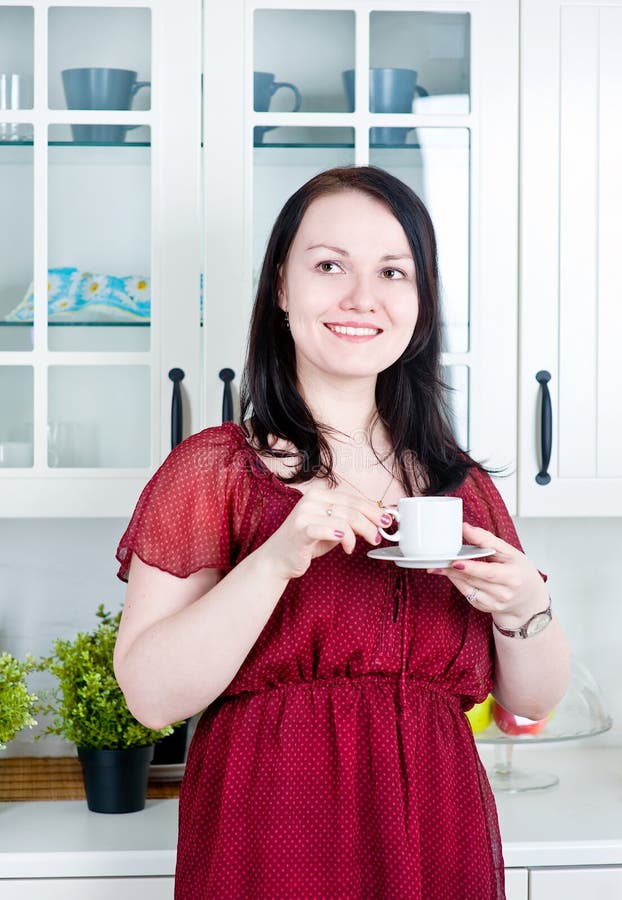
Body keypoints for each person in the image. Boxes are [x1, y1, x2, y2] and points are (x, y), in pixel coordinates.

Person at [113, 166, 570, 899]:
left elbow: (534, 701)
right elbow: (151, 697)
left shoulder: (461, 488)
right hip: (268, 836)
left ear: (421, 304)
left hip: (436, 831)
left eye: (394, 271)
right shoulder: (214, 471)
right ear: (282, 288)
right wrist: (275, 561)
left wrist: (522, 608)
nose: (363, 297)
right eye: (330, 265)